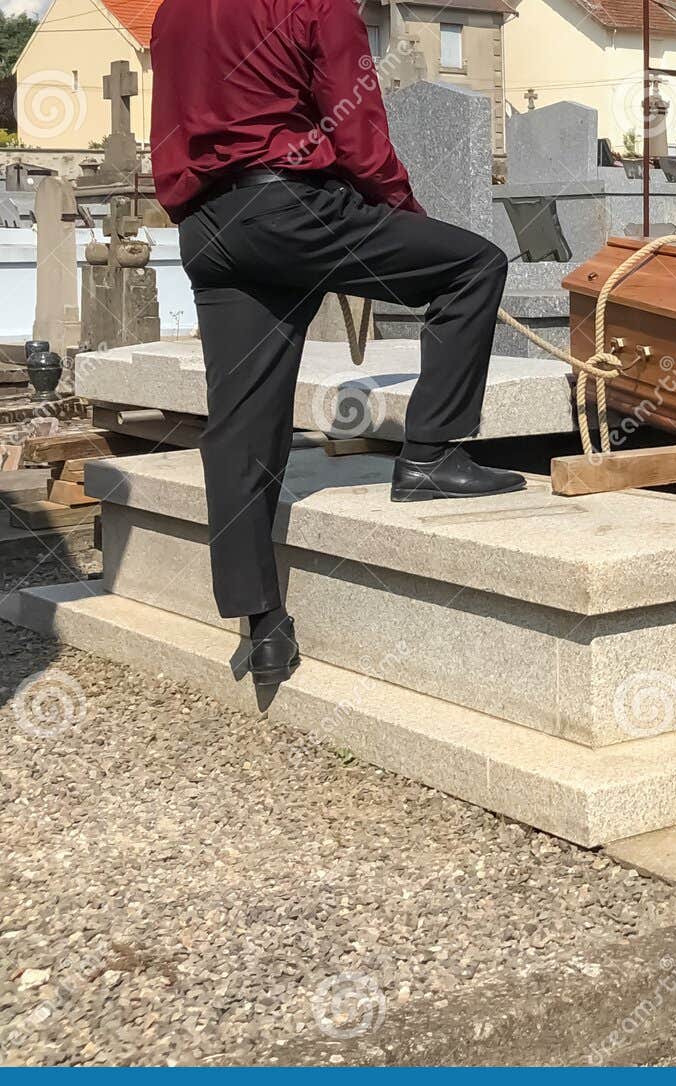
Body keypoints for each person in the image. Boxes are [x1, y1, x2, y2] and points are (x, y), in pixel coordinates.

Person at [150, 0, 524, 687]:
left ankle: (262, 627)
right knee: (474, 266)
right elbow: (356, 123)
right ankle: (431, 456)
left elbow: (170, 121)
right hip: (292, 207)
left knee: (241, 420)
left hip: (209, 225)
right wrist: (399, 208)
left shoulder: (174, 10)